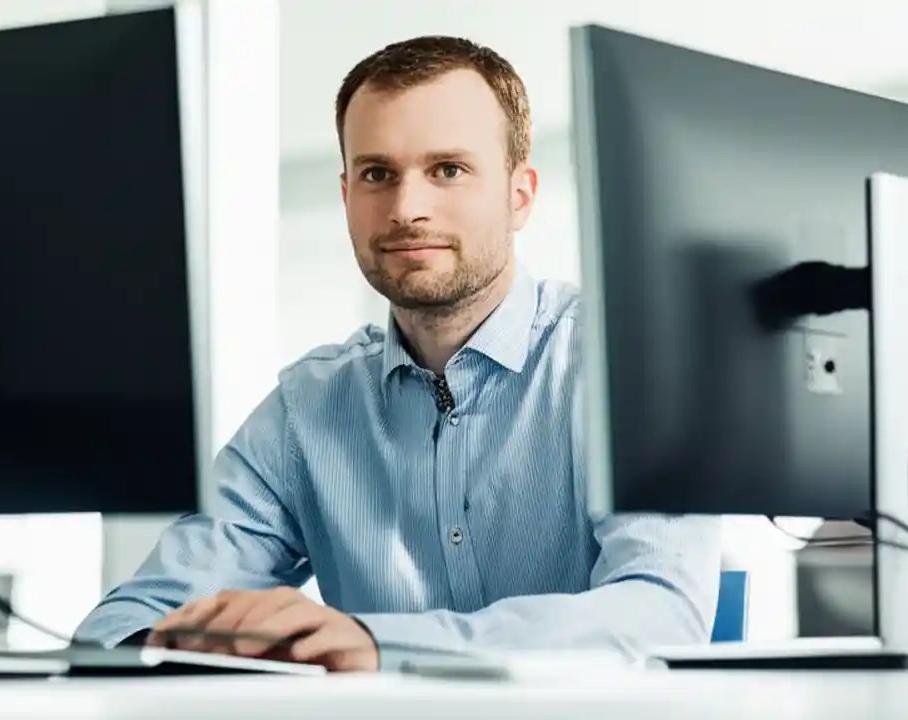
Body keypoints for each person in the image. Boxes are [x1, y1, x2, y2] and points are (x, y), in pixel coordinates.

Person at [73, 34, 722, 673]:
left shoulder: (619, 367)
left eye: (448, 170)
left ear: (520, 194)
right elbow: (121, 625)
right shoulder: (307, 409)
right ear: (347, 195)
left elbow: (660, 614)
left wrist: (380, 644)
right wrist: (191, 643)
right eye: (377, 174)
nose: (407, 209)